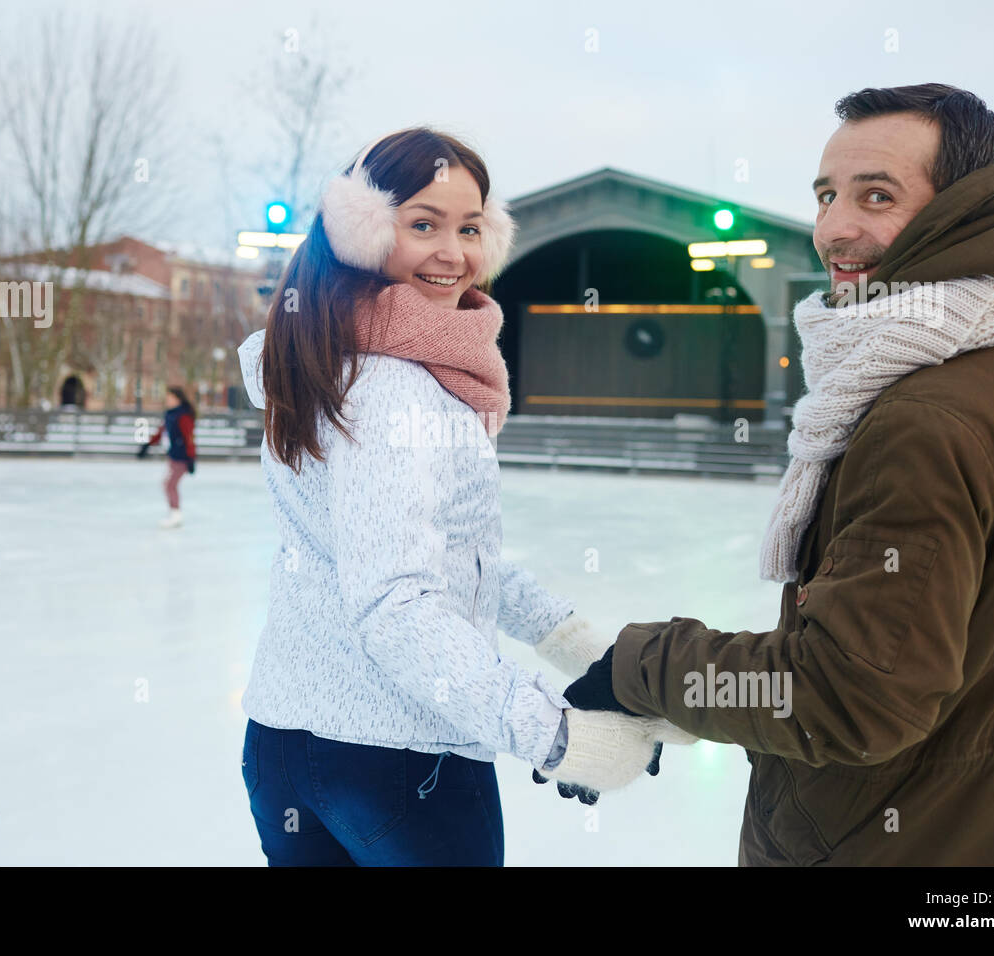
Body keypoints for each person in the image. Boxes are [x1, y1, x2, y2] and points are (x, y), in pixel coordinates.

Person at [557, 83, 994, 865]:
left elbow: (850, 698)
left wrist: (642, 670)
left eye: (878, 196)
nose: (834, 229)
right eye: (825, 196)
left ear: (967, 210)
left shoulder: (923, 418)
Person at [236, 127, 694, 866]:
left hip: (284, 744)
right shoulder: (395, 386)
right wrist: (559, 737)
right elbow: (398, 601)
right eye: (423, 225)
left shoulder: (320, 360)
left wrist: (587, 651)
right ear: (361, 231)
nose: (452, 253)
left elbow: (447, 556)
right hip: (400, 762)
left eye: (471, 228)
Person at [137, 385, 197, 528]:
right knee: (168, 485)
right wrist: (147, 445)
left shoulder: (183, 416)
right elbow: (161, 432)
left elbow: (189, 438)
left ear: (177, 399)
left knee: (170, 485)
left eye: (170, 398)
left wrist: (191, 458)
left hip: (182, 457)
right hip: (173, 456)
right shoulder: (170, 414)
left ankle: (176, 515)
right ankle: (174, 513)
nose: (167, 400)